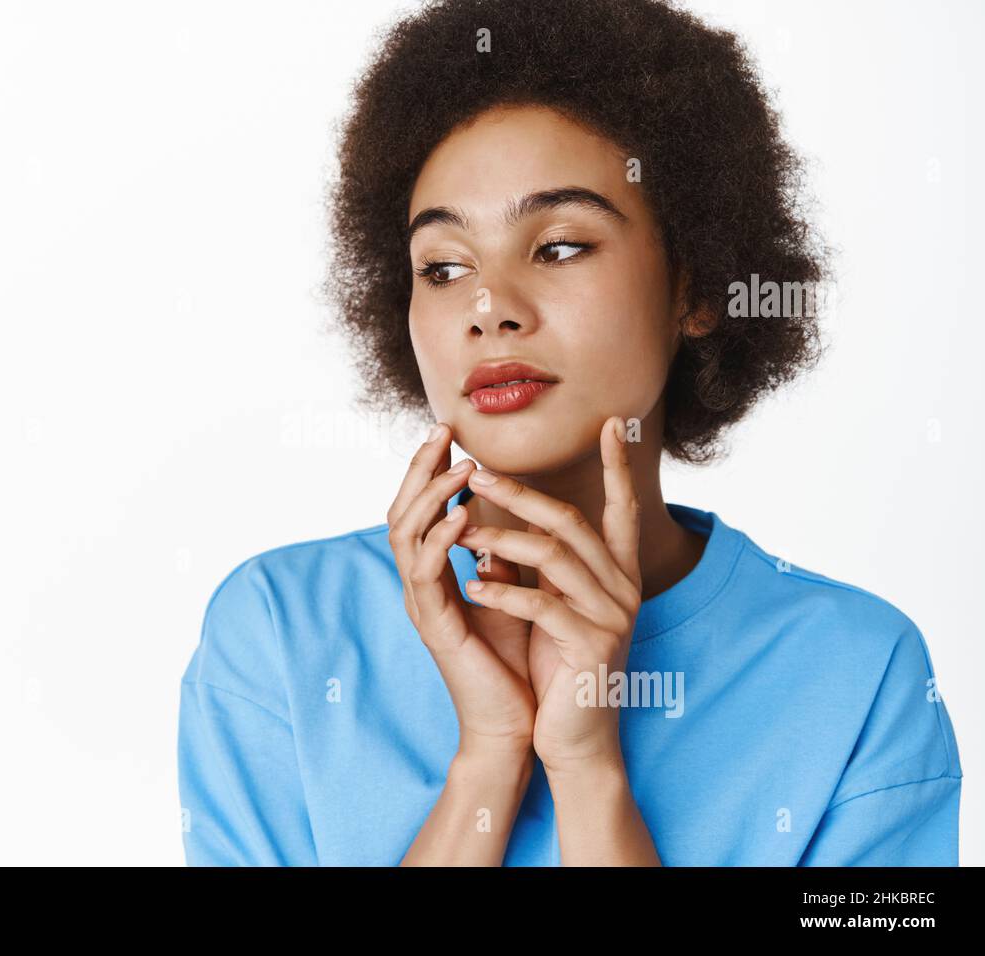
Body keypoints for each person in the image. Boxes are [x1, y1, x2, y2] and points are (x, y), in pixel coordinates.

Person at [177, 0, 962, 866]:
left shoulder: (860, 675)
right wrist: (488, 755)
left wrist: (588, 770)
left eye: (557, 247)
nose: (488, 310)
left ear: (694, 291)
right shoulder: (281, 634)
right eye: (443, 268)